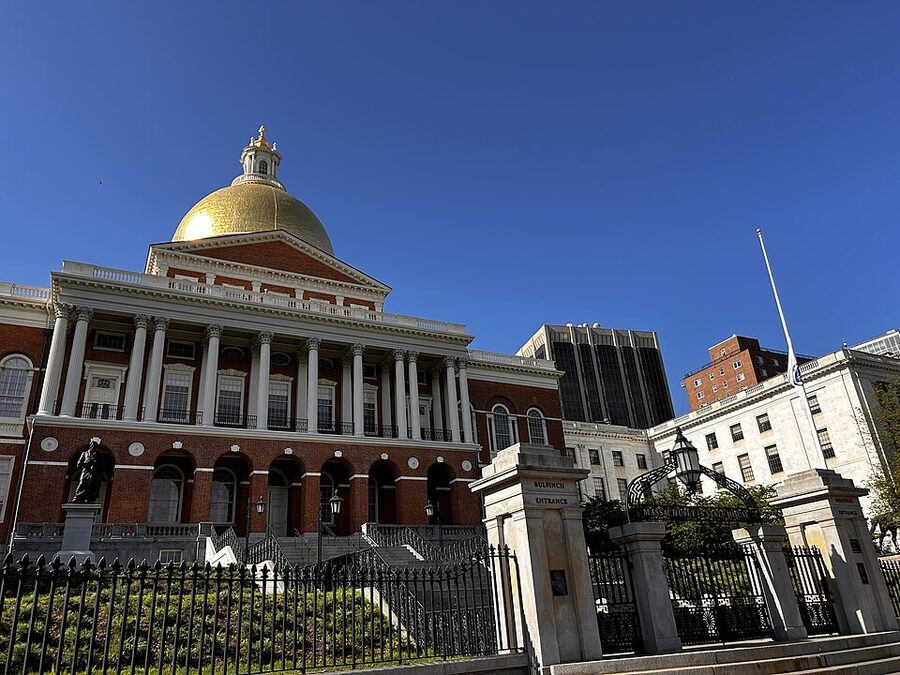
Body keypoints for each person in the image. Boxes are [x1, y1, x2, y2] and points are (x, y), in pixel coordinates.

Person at [72, 439, 107, 503]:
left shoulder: (99, 455)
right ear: (90, 445)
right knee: (82, 483)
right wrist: (86, 462)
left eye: (95, 446)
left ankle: (89, 498)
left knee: (92, 485)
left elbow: (103, 466)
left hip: (94, 472)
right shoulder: (84, 453)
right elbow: (79, 464)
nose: (94, 447)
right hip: (86, 471)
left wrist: (96, 462)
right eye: (92, 445)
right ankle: (77, 496)